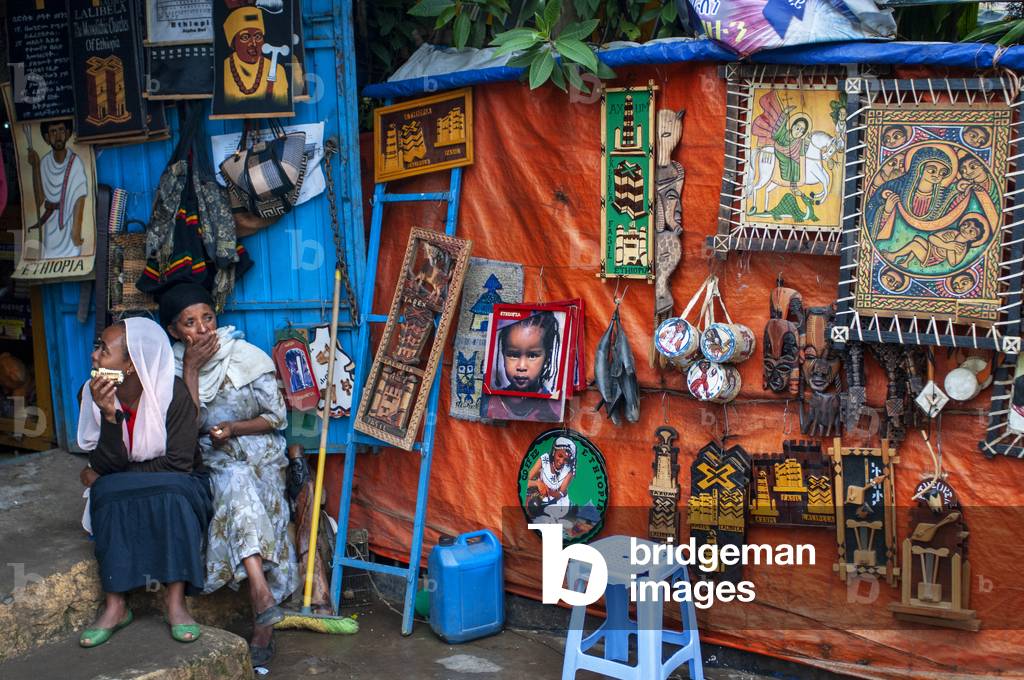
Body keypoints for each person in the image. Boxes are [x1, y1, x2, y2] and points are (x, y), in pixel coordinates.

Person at [158, 283, 297, 666]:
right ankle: (262, 601)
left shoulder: (245, 356)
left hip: (259, 457)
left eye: (208, 318)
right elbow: (187, 427)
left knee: (240, 480)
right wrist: (190, 369)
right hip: (209, 459)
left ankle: (258, 595)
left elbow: (276, 418)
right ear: (175, 332)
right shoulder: (169, 369)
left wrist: (235, 428)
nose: (203, 330)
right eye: (190, 323)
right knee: (233, 481)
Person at [77, 318, 211, 648]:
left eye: (104, 352)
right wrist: (109, 417)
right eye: (98, 348)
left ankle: (176, 603)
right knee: (105, 493)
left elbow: (179, 465)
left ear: (132, 365)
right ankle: (116, 606)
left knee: (172, 493)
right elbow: (106, 464)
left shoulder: (173, 393)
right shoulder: (93, 394)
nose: (94, 357)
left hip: (182, 482)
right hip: (134, 479)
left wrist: (113, 475)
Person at [27, 119, 87, 259]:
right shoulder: (44, 163)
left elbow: (80, 197)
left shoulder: (75, 162)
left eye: (61, 130)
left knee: (72, 258)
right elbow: (40, 199)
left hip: (68, 226)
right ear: (47, 138)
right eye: (53, 131)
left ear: (67, 133)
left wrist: (76, 232)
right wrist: (35, 167)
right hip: (50, 227)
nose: (58, 135)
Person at [222, 7, 288, 106]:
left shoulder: (277, 71)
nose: (253, 43)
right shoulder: (223, 69)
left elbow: (281, 105)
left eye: (258, 37)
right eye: (245, 37)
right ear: (233, 43)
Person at [751, 90, 810, 186]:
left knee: (795, 165)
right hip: (780, 154)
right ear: (792, 126)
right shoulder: (784, 133)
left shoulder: (799, 142)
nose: (798, 132)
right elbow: (776, 132)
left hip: (792, 161)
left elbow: (802, 152)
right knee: (786, 160)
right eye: (798, 128)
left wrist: (807, 142)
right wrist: (785, 113)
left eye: (802, 131)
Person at [887, 215, 986, 269]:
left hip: (932, 258)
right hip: (931, 248)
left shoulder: (962, 248)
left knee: (914, 245)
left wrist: (950, 247)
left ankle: (893, 255)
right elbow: (931, 238)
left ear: (973, 239)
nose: (966, 228)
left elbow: (953, 263)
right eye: (966, 224)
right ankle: (906, 262)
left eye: (971, 231)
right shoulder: (953, 232)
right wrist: (945, 244)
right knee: (917, 238)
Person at [526, 437, 577, 525]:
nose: (561, 461)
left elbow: (560, 494)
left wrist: (548, 492)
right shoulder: (544, 459)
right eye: (560, 456)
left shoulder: (569, 470)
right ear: (554, 452)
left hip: (557, 501)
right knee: (532, 508)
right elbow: (525, 482)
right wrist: (538, 484)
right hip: (541, 496)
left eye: (566, 459)